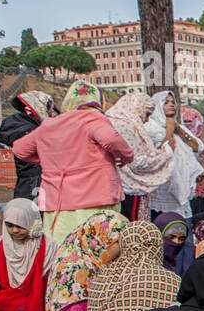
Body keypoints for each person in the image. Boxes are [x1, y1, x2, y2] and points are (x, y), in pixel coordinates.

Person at [11, 81, 134, 244]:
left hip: (57, 203)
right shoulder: (92, 118)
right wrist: (126, 156)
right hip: (96, 198)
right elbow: (110, 139)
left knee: (60, 251)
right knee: (97, 253)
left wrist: (50, 159)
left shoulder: (49, 124)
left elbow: (20, 149)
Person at [0, 199, 60, 311]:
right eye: (10, 225)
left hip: (39, 297)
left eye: (20, 226)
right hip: (8, 300)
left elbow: (55, 275)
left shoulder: (47, 246)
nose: (14, 230)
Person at [106, 90, 175, 220]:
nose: (147, 119)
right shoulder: (127, 126)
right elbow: (137, 162)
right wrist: (167, 152)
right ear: (138, 108)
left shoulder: (111, 120)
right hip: (128, 189)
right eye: (146, 114)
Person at [144, 91, 203, 218]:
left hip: (182, 184)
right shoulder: (150, 128)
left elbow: (197, 146)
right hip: (163, 188)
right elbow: (161, 153)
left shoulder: (180, 127)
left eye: (173, 102)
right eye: (166, 102)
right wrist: (169, 130)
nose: (171, 105)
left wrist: (178, 130)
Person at [0, 91, 55, 199]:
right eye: (48, 108)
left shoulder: (21, 125)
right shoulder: (29, 128)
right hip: (34, 184)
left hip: (28, 185)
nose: (50, 112)